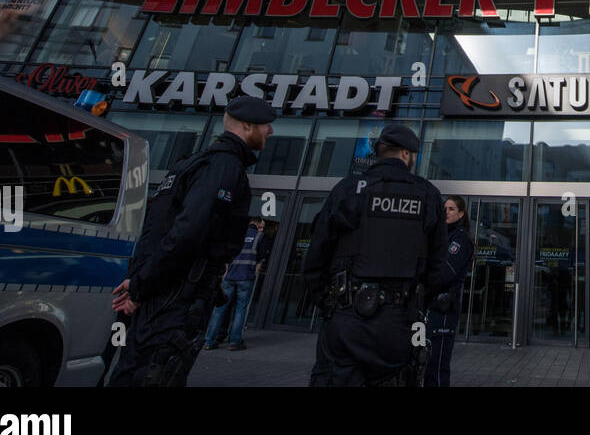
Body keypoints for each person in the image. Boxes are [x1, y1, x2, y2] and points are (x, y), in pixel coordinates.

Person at [107, 96, 274, 387]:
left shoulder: (194, 163)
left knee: (136, 370)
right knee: (156, 375)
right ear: (248, 126)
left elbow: (156, 230)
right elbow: (186, 233)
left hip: (162, 293)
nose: (270, 132)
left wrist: (140, 282)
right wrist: (141, 288)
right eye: (266, 126)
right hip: (177, 298)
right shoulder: (224, 167)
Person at [303, 123, 448, 386]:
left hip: (344, 315)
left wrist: (326, 304)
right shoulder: (427, 194)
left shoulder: (347, 188)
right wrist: (416, 305)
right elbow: (437, 266)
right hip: (397, 317)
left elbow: (317, 254)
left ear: (380, 151)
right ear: (406, 154)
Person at [424, 195, 474, 387]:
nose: (446, 212)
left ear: (461, 213)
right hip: (431, 306)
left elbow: (445, 273)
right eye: (445, 208)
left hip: (443, 309)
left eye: (451, 209)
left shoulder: (460, 239)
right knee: (426, 361)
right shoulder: (441, 236)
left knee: (436, 364)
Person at [204, 218, 270, 351]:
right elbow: (261, 259)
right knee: (240, 310)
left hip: (229, 276)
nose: (262, 229)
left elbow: (226, 255)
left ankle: (209, 341)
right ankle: (234, 341)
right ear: (256, 225)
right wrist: (254, 273)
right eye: (261, 227)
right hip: (246, 277)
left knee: (219, 309)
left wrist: (225, 273)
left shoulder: (236, 235)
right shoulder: (260, 237)